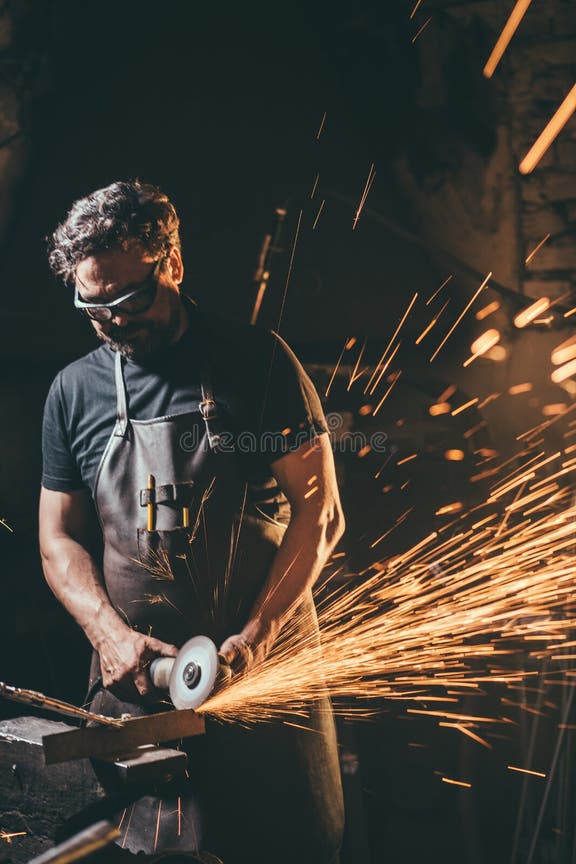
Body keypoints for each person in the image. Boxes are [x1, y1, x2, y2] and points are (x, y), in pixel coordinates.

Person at [39, 180, 345, 863]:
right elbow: (56, 537)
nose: (115, 321)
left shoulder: (257, 362)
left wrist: (258, 636)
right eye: (94, 307)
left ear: (172, 264)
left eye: (131, 300)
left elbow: (320, 513)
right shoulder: (74, 392)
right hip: (135, 694)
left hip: (260, 685)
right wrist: (108, 634)